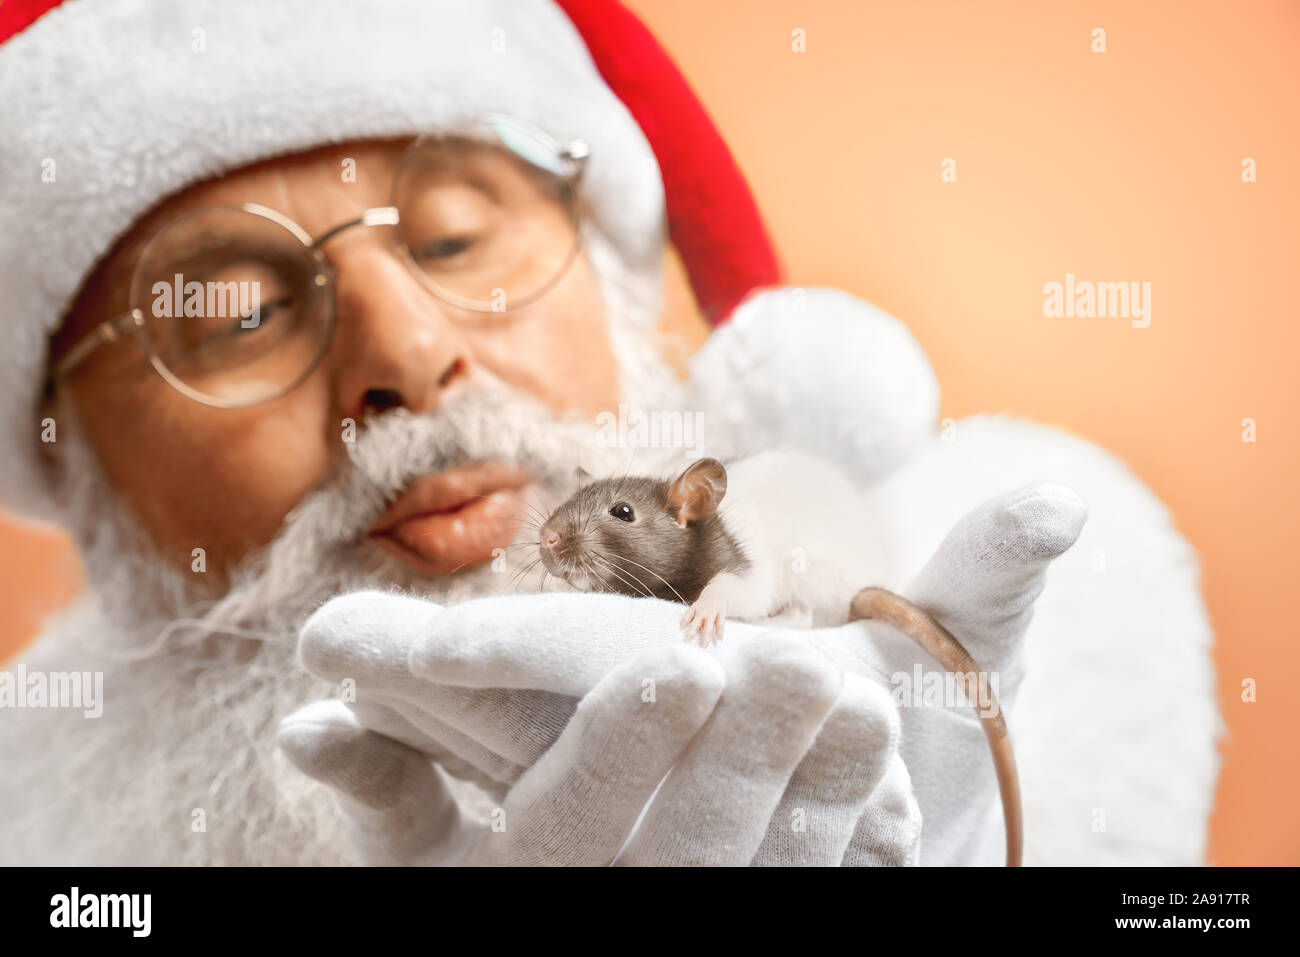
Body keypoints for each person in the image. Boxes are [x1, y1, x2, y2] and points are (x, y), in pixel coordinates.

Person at [0, 0, 1220, 866]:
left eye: (453, 240)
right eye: (242, 313)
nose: (410, 352)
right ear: (73, 455)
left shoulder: (1025, 658)